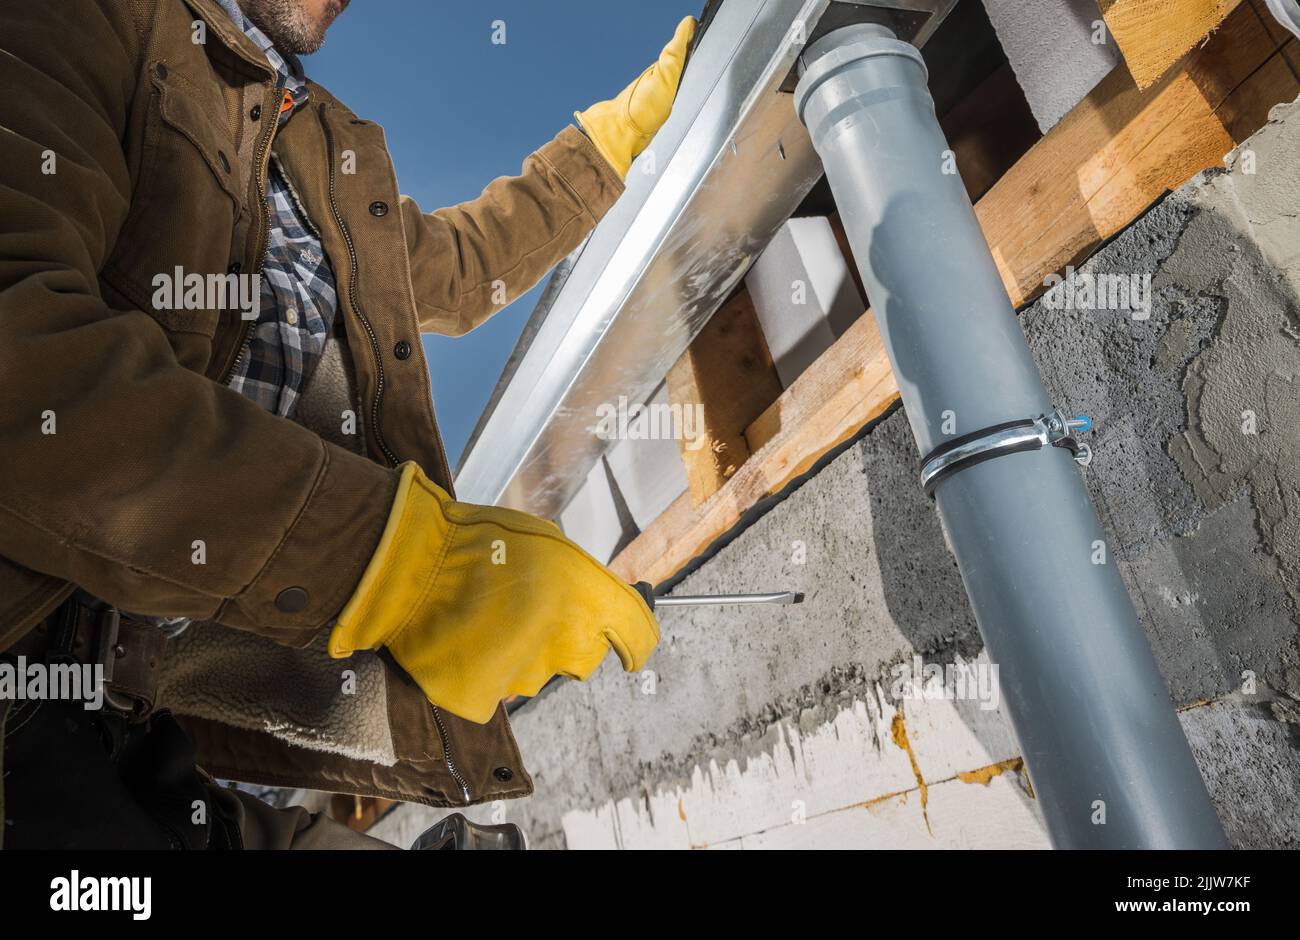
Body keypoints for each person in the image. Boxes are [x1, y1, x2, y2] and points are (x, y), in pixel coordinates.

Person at [0, 0, 695, 849]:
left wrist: (606, 148)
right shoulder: (85, 18)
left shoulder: (316, 152)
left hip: (117, 699)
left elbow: (464, 265)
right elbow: (22, 360)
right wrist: (402, 572)